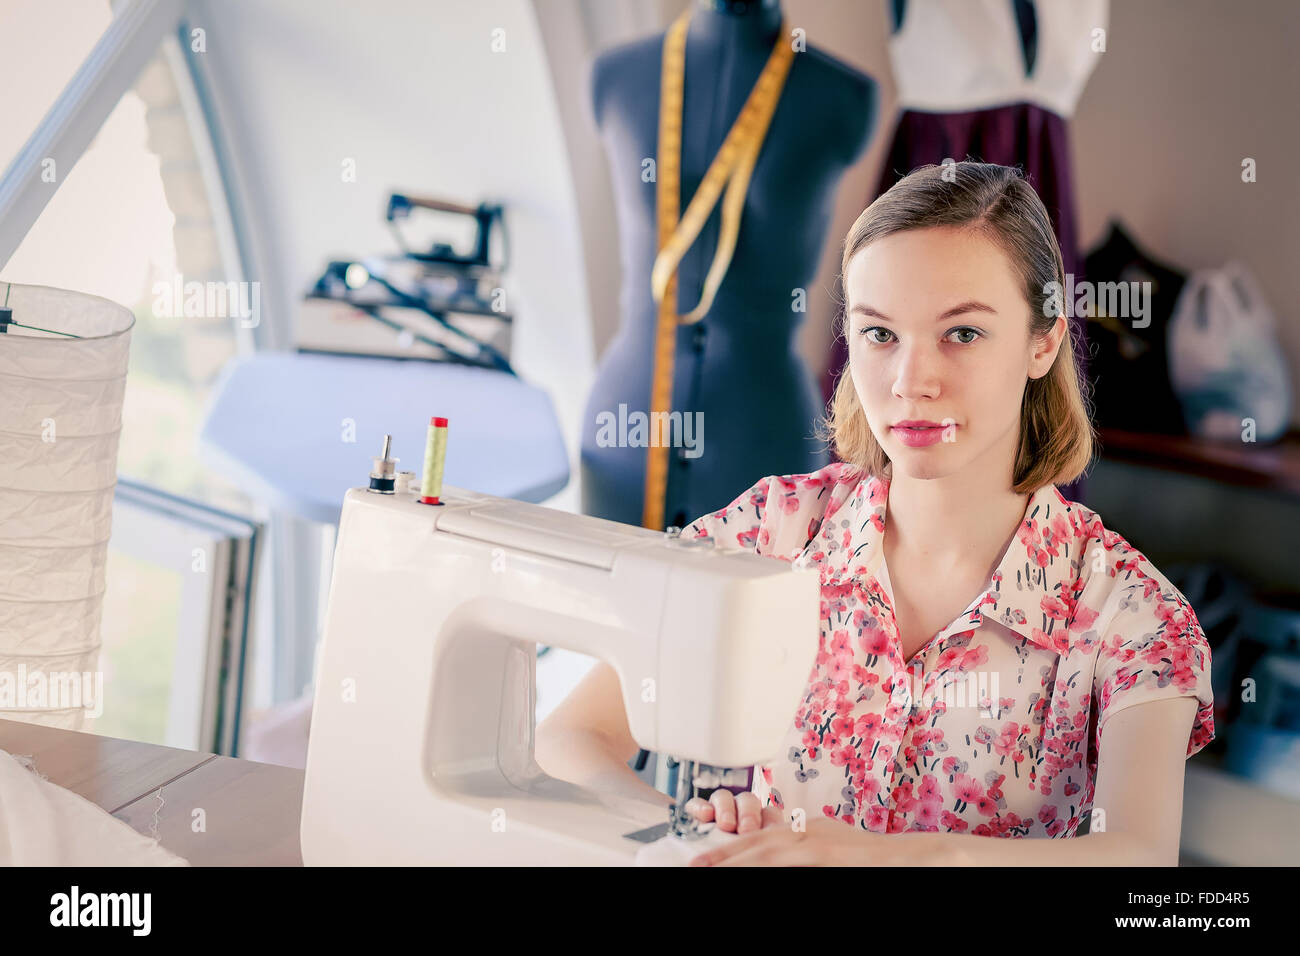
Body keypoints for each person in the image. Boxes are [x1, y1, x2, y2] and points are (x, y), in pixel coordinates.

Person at [536, 161, 1214, 866]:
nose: (909, 381)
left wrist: (887, 857)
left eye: (963, 333)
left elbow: (1140, 860)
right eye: (880, 334)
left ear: (1043, 342)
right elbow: (571, 739)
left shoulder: (1130, 615)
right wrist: (694, 840)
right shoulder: (774, 532)